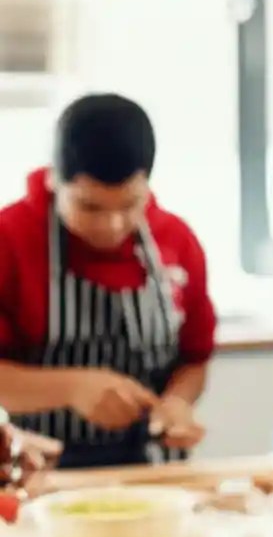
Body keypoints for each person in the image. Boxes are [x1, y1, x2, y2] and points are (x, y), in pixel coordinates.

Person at [0, 94, 216, 469]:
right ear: (54, 180)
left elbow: (194, 360)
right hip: (38, 470)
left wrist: (177, 403)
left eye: (131, 204)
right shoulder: (11, 240)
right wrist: (71, 387)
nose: (112, 225)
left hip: (152, 471)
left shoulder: (176, 240)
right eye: (90, 206)